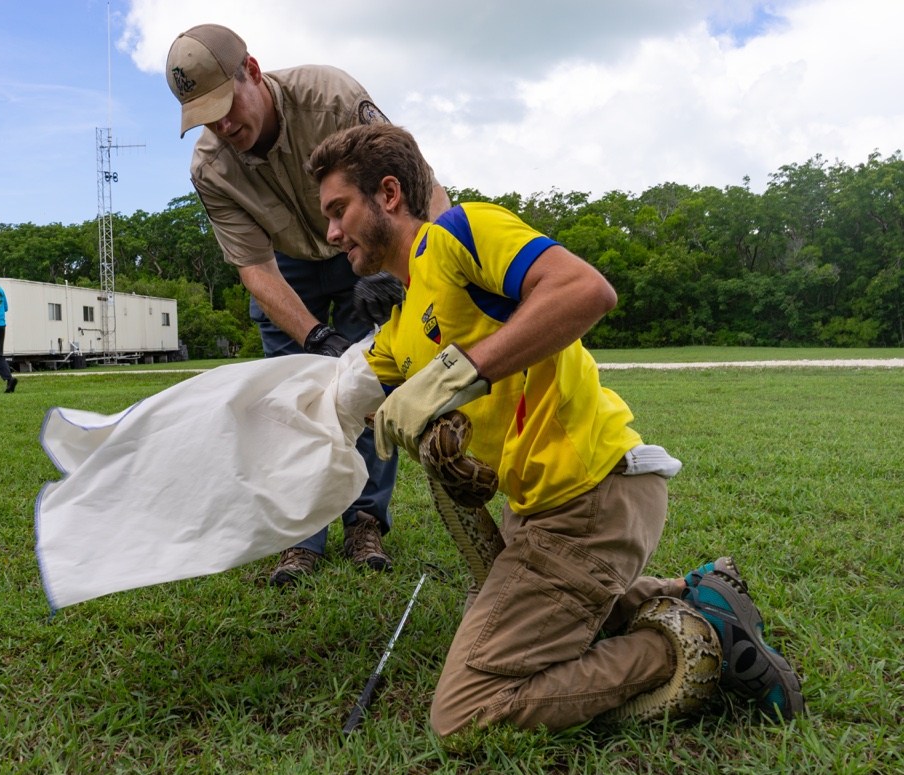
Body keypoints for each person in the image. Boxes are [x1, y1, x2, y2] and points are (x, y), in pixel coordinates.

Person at [306, 123, 805, 734]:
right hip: (536, 513)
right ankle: (693, 592)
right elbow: (334, 393)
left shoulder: (459, 232)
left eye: (339, 210)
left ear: (388, 195)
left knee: (464, 712)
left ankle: (701, 641)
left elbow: (584, 290)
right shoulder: (399, 328)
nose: (331, 233)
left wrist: (456, 374)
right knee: (502, 608)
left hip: (591, 499)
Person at [164, 23, 450, 585]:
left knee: (369, 389)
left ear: (251, 71)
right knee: (289, 402)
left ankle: (365, 522)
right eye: (206, 118)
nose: (223, 127)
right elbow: (254, 267)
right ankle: (300, 535)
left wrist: (416, 269)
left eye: (226, 107)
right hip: (287, 265)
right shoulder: (210, 168)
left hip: (364, 245)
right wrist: (317, 337)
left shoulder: (332, 97)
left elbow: (419, 185)